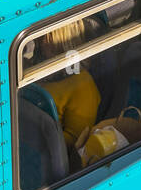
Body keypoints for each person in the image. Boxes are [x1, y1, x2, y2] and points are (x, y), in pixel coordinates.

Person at [40, 20, 101, 155]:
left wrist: (40, 138)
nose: (42, 42)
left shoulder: (82, 86)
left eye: (48, 37)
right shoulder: (42, 69)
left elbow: (76, 139)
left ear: (62, 42)